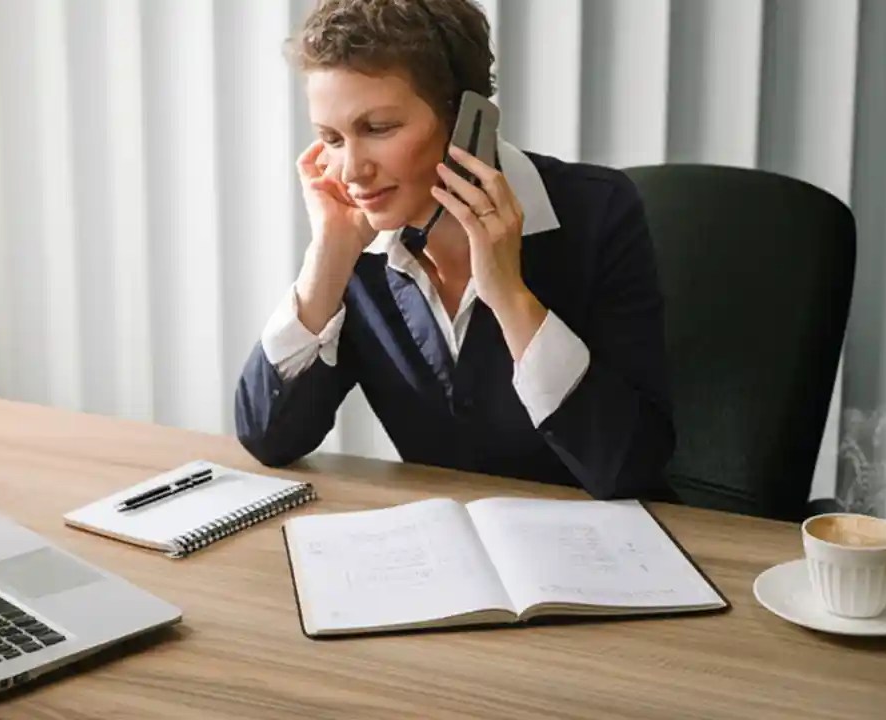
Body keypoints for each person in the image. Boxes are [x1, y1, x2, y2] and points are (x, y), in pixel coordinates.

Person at [234, 0, 675, 501]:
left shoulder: (597, 211)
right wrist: (325, 263)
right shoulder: (357, 244)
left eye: (377, 129)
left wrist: (509, 294)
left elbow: (629, 468)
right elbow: (268, 438)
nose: (352, 171)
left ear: (470, 119)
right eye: (331, 139)